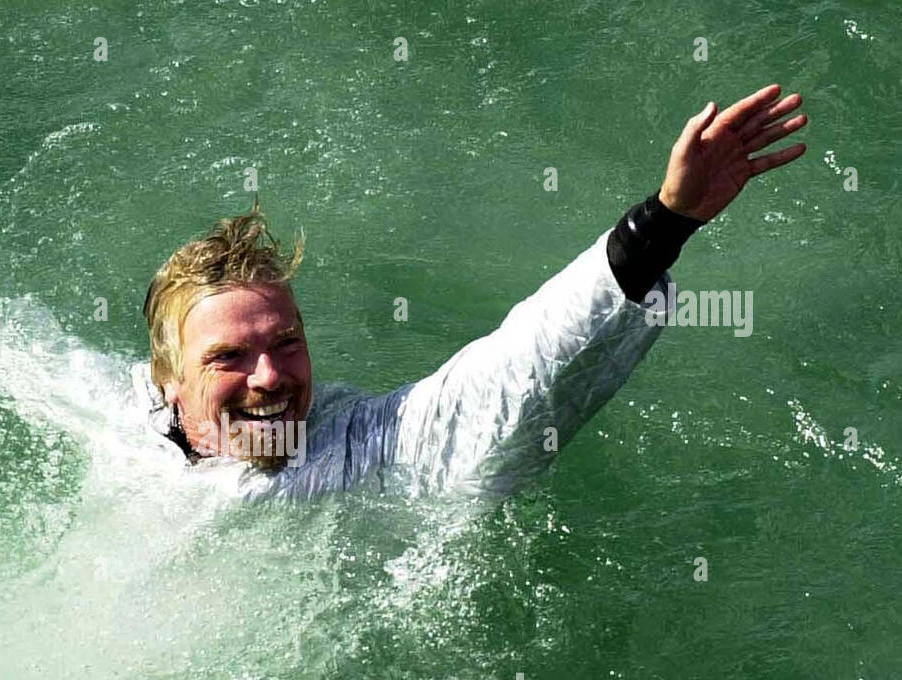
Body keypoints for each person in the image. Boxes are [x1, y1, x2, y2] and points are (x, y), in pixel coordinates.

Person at [136, 84, 807, 500]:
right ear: (170, 382)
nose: (271, 377)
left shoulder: (352, 455)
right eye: (228, 357)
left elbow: (514, 371)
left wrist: (662, 223)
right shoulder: (118, 431)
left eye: (288, 342)